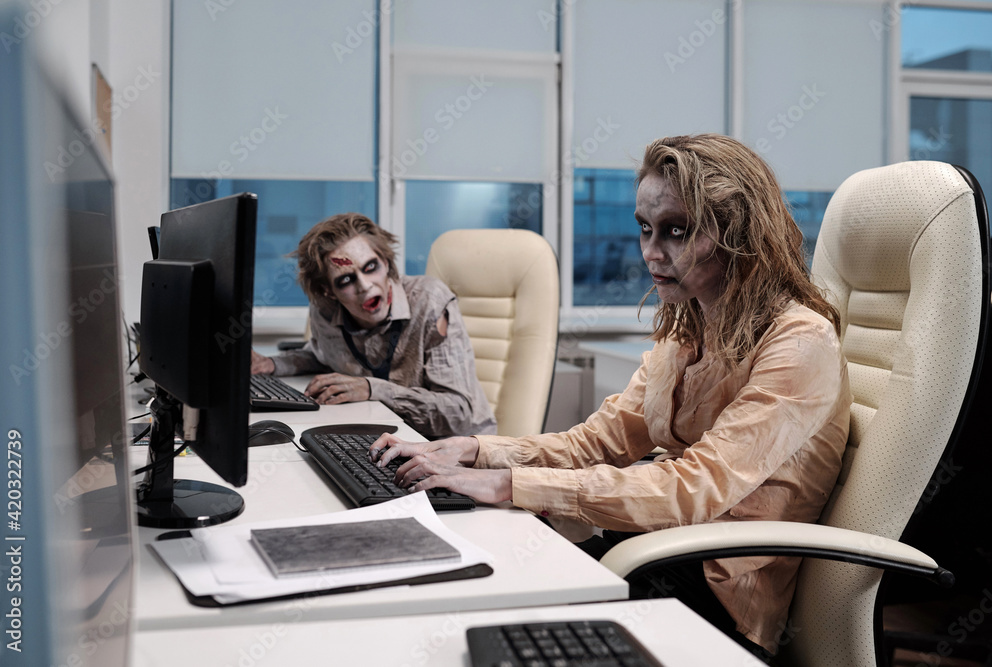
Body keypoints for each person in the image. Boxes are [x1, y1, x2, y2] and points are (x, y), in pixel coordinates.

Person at [368, 134, 852, 657]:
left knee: (489, 618)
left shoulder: (799, 342)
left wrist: (510, 484)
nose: (650, 252)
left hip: (717, 590)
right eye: (645, 228)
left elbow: (694, 488)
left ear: (738, 231)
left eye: (676, 231)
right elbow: (598, 442)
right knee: (465, 583)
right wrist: (474, 451)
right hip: (653, 548)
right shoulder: (687, 330)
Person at [251, 213, 496, 440]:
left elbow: (458, 413)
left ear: (386, 262)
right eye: (346, 280)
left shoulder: (430, 302)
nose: (365, 286)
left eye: (370, 267)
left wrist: (372, 388)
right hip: (387, 437)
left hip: (459, 448)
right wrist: (272, 364)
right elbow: (325, 354)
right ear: (329, 291)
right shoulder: (326, 311)